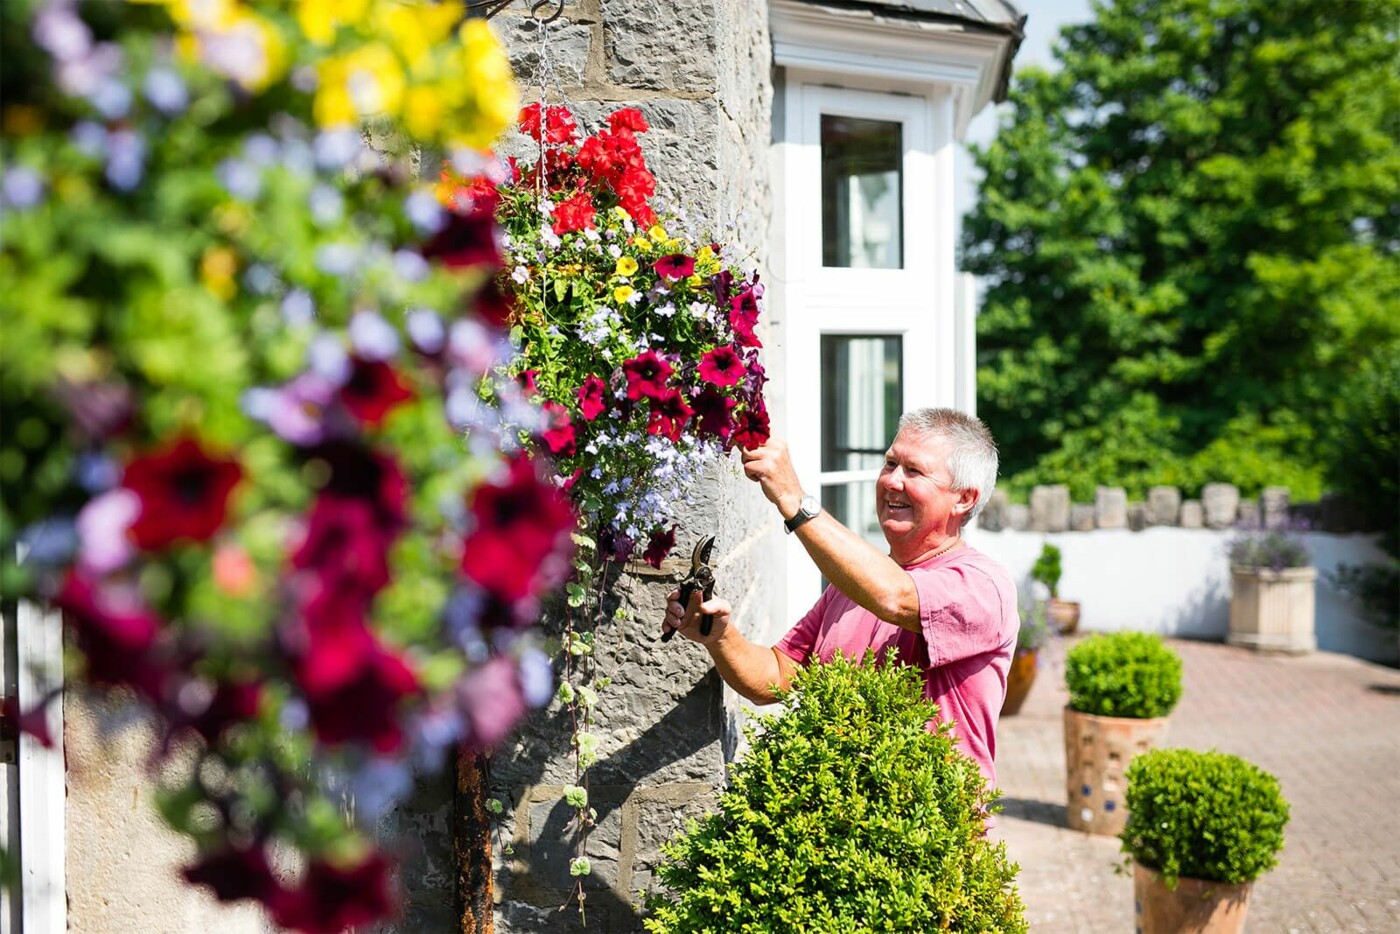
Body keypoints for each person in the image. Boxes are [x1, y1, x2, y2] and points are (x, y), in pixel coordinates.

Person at [662, 407, 1018, 788]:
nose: (892, 481)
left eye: (913, 471)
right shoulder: (850, 588)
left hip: (925, 836)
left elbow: (895, 598)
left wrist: (793, 497)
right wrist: (719, 636)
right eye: (890, 463)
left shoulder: (983, 586)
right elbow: (778, 676)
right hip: (837, 831)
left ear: (964, 498)